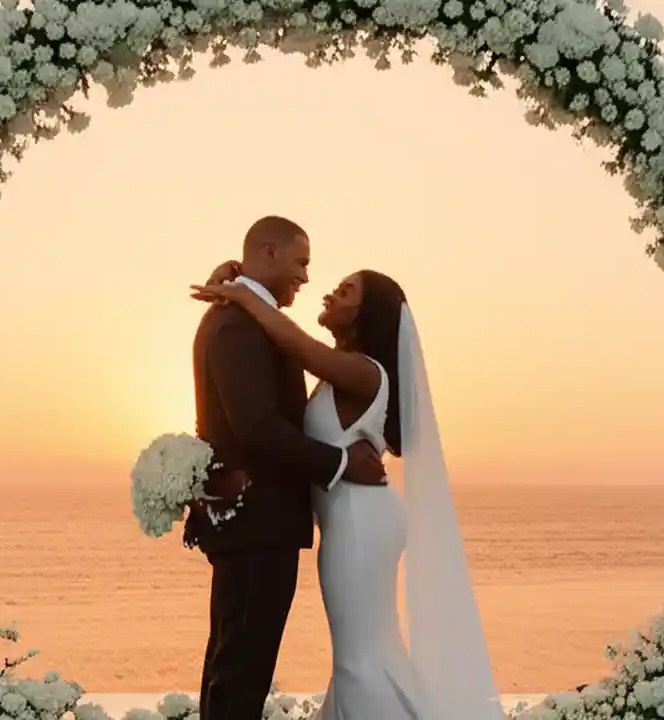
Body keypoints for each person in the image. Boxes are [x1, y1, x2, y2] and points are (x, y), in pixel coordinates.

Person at [190, 259, 504, 719]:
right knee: (364, 649)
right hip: (350, 519)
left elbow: (295, 343)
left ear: (366, 314)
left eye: (345, 290)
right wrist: (241, 287)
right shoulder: (337, 376)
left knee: (360, 656)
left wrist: (245, 293)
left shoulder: (365, 372)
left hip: (360, 522)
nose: (328, 293)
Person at [186, 216, 388, 720]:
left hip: (257, 521)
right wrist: (342, 461)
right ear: (269, 252)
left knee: (233, 665)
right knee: (239, 672)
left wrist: (238, 282)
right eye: (301, 262)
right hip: (260, 520)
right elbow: (256, 426)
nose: (306, 277)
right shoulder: (238, 321)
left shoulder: (242, 313)